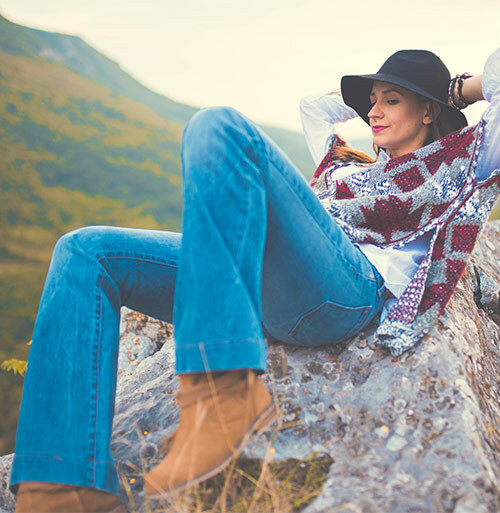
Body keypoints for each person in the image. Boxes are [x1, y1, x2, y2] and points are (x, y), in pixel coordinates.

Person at [10, 46, 500, 512]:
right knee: (85, 250)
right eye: (370, 102)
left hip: (346, 290)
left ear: (431, 111)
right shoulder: (348, 165)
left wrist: (454, 91)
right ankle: (59, 488)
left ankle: (222, 390)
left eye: (390, 100)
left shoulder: (464, 161)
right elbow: (316, 108)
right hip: (272, 282)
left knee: (218, 126)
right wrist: (391, 94)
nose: (373, 112)